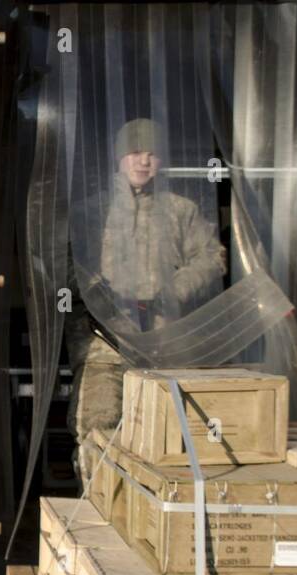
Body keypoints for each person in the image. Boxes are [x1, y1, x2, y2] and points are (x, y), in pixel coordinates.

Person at [66, 118, 226, 480]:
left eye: (152, 154)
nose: (143, 161)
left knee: (164, 436)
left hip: (162, 347)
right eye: (134, 152)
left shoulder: (180, 211)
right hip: (102, 345)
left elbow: (213, 257)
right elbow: (59, 262)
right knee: (97, 427)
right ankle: (96, 506)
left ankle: (149, 515)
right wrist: (96, 289)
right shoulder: (91, 212)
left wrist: (174, 290)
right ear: (118, 158)